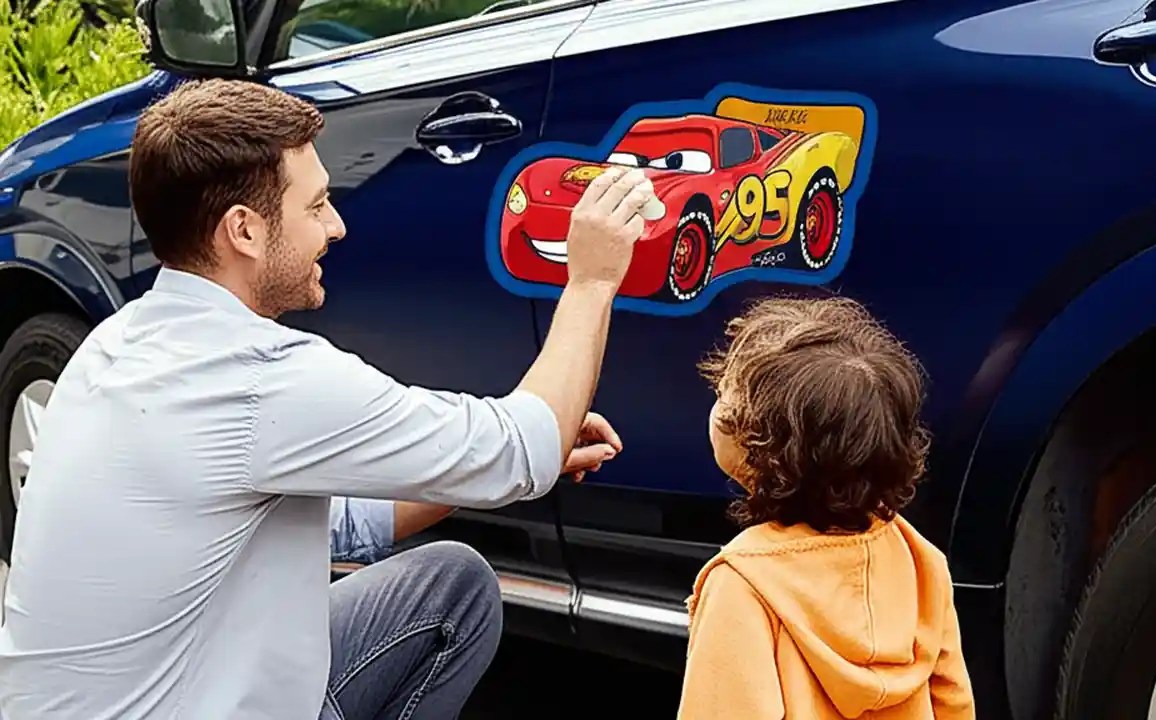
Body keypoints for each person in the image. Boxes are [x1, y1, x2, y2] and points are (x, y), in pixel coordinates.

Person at [0, 77, 654, 719]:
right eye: (315, 206)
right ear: (244, 231)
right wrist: (592, 280)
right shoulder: (257, 375)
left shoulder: (115, 345)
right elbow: (518, 454)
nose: (336, 226)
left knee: (450, 587)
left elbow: (342, 524)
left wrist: (483, 465)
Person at [676, 295, 976, 720]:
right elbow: (953, 702)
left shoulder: (744, 584)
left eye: (724, 393)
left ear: (762, 449)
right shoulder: (918, 560)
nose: (715, 398)